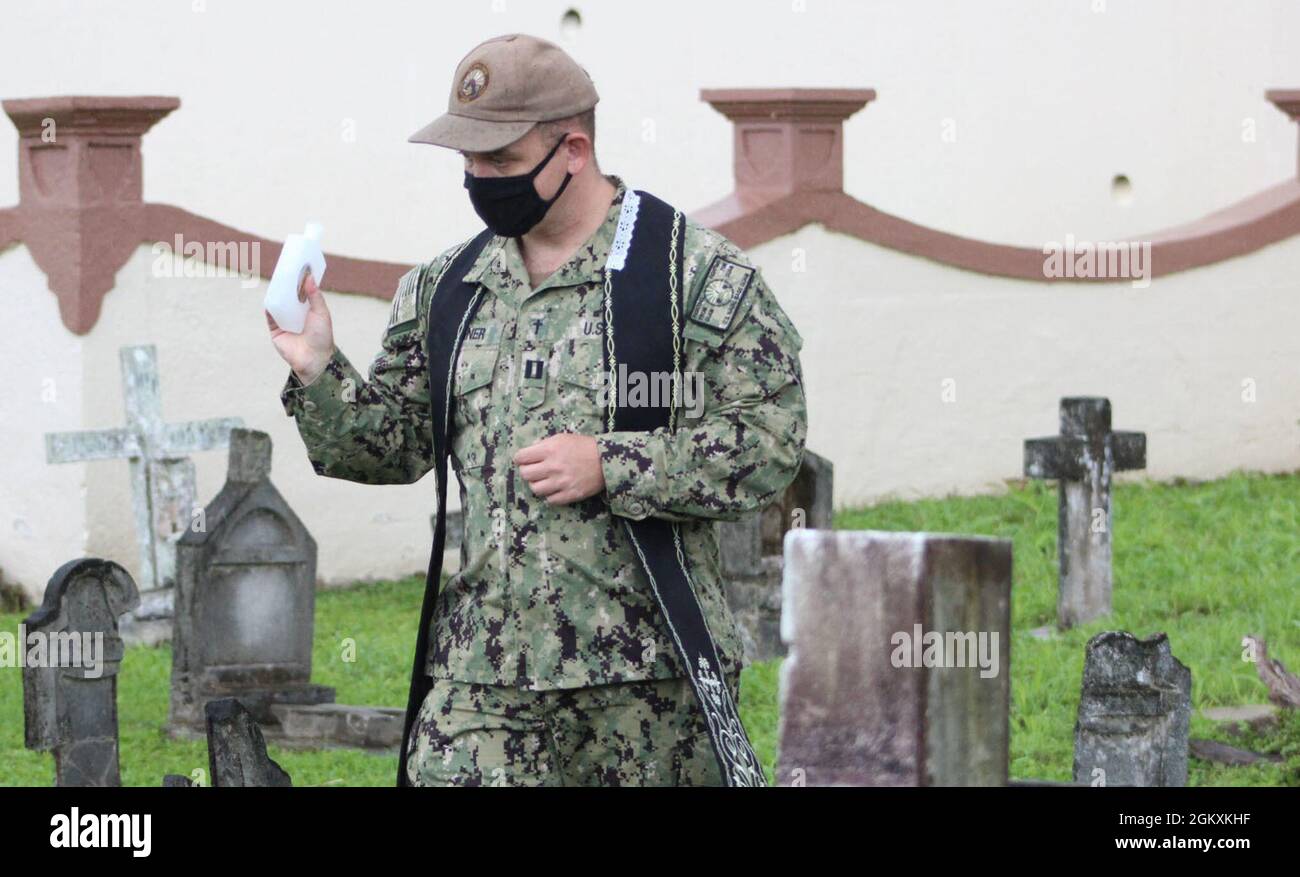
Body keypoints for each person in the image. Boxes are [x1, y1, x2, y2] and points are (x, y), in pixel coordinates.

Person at [268, 32, 807, 787]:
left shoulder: (687, 275)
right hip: (482, 680)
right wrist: (320, 367)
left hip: (646, 682)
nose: (479, 179)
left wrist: (610, 463)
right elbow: (392, 447)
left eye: (500, 161)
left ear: (574, 150)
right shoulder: (445, 288)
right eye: (468, 162)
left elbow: (769, 439)